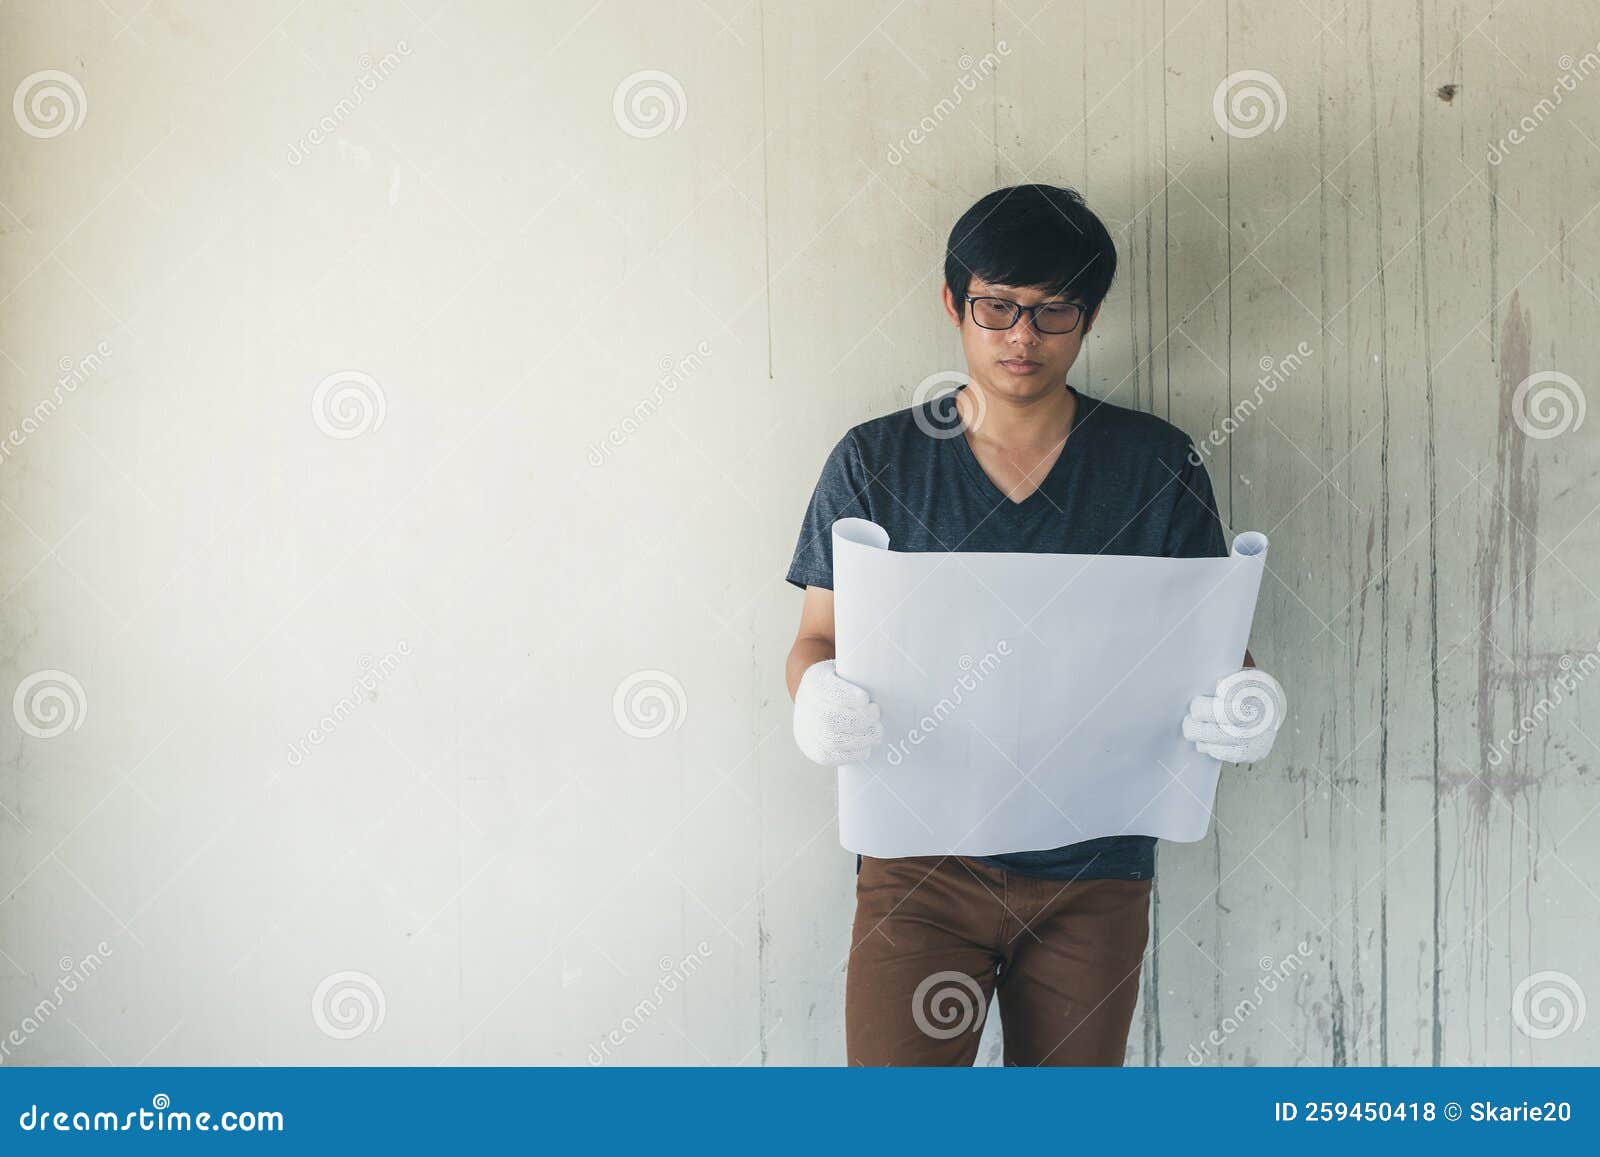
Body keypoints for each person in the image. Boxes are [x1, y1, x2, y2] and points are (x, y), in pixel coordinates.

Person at [783, 183, 1287, 1066]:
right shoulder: (876, 460)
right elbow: (815, 638)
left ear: (1088, 317)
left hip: (1096, 870)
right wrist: (815, 694)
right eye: (998, 307)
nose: (1022, 335)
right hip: (917, 866)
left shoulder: (1153, 463)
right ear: (954, 303)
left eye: (1054, 310)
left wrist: (1245, 698)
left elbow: (1213, 648)